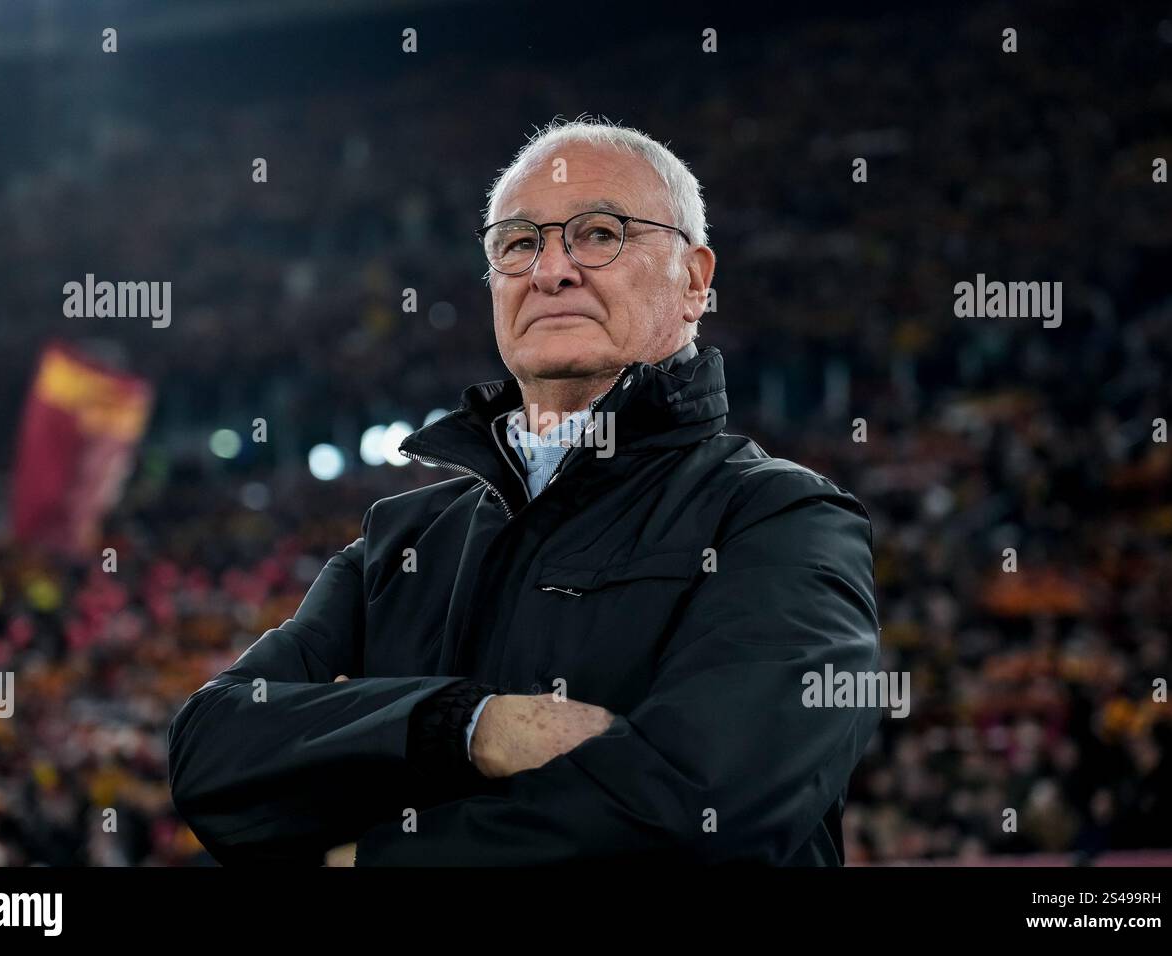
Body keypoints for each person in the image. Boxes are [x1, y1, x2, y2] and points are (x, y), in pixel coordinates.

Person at [167, 115, 882, 866]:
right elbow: (211, 753)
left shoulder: (783, 519)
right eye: (517, 243)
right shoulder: (399, 543)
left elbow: (701, 811)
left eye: (599, 234)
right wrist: (470, 726)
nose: (551, 270)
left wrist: (369, 859)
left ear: (695, 281)